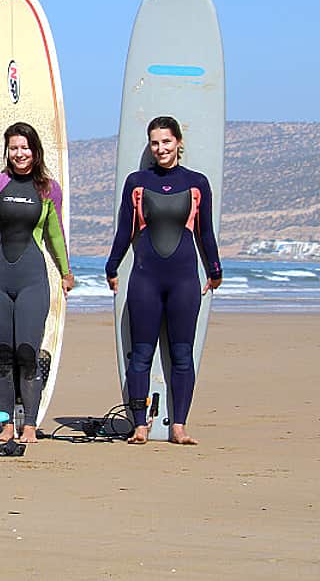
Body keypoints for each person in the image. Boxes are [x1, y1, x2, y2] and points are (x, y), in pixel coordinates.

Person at [106, 115, 221, 446]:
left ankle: (179, 426)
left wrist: (215, 270)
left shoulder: (197, 183)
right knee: (140, 354)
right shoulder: (137, 182)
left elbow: (206, 232)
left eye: (166, 142)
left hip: (184, 281)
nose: (161, 149)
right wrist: (112, 266)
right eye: (155, 143)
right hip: (146, 280)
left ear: (179, 142)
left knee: (183, 354)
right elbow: (125, 230)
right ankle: (140, 425)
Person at [0, 122, 74, 444]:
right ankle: (7, 424)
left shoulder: (48, 189)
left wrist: (66, 272)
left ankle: (30, 426)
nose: (19, 153)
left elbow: (55, 234)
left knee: (26, 351)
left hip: (33, 280)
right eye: (14, 148)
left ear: (35, 150)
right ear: (7, 151)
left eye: (25, 147)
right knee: (2, 354)